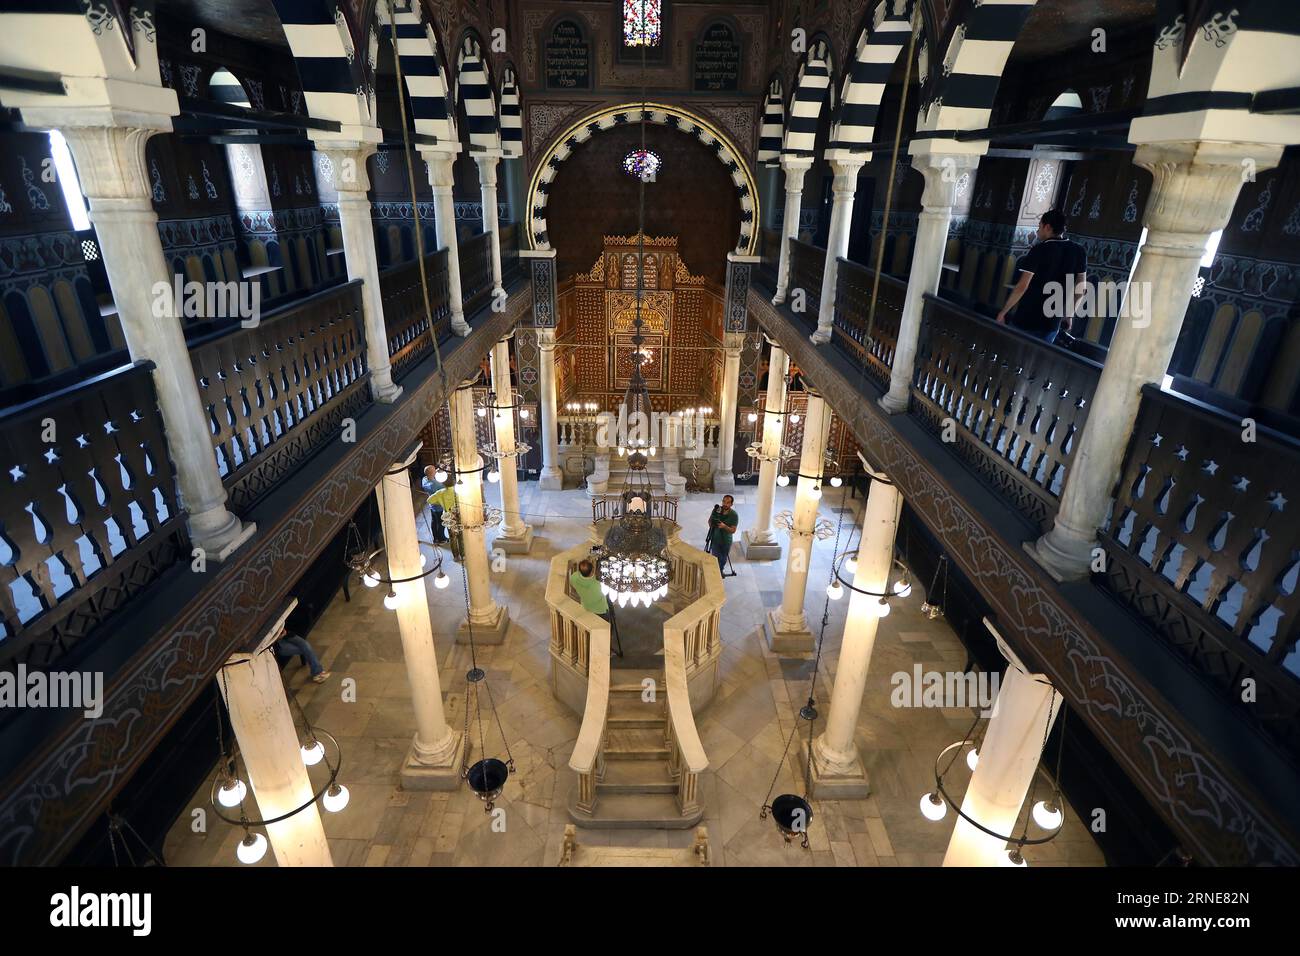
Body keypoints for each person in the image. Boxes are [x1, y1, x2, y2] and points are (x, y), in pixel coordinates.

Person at [996, 210, 1087, 345]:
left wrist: (1003, 312)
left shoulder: (1039, 250)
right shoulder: (1079, 251)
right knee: (1036, 360)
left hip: (1027, 318)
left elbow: (1022, 286)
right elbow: (1081, 289)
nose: (1038, 230)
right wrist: (1069, 315)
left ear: (1048, 227)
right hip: (1052, 322)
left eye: (1039, 226)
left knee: (1011, 355)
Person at [568, 557, 621, 657]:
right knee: (606, 630)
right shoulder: (599, 585)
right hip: (601, 610)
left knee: (592, 630)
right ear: (592, 571)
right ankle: (605, 651)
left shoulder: (574, 577)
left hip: (586, 608)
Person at [706, 495, 739, 575]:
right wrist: (712, 522)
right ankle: (715, 572)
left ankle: (719, 571)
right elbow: (710, 522)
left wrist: (724, 526)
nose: (725, 504)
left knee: (723, 558)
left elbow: (733, 530)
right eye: (724, 501)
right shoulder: (717, 510)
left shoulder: (734, 515)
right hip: (715, 538)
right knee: (715, 557)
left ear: (731, 504)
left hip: (726, 541)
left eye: (728, 503)